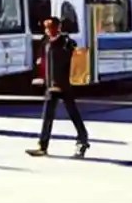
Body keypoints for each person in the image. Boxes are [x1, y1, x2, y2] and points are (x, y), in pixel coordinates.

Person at [26, 17, 90, 158]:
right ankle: (42, 146)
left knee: (74, 115)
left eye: (50, 27)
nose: (47, 30)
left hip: (64, 85)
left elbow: (71, 64)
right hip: (51, 85)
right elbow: (46, 63)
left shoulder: (66, 43)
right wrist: (42, 78)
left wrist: (61, 83)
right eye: (46, 27)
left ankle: (83, 141)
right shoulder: (47, 42)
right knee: (47, 116)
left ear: (58, 28)